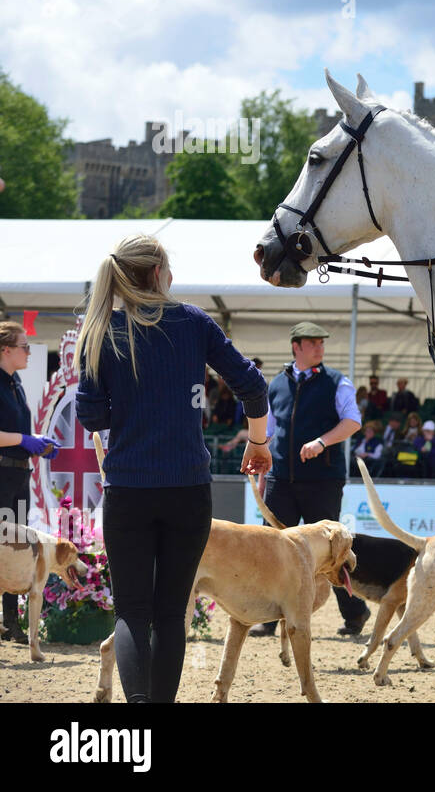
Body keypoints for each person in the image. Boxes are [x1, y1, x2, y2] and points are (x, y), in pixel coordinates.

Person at [73, 235, 271, 702]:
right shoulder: (194, 322)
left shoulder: (103, 330)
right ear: (159, 273)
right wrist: (258, 442)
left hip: (128, 488)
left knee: (131, 613)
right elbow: (253, 386)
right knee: (169, 613)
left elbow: (92, 417)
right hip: (187, 490)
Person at [252, 322, 367, 637]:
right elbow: (270, 433)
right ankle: (268, 618)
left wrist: (322, 442)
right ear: (296, 347)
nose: (320, 347)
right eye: (313, 343)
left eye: (321, 343)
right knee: (273, 547)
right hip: (280, 480)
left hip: (322, 480)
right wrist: (263, 475)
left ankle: (355, 613)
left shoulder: (337, 382)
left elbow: (353, 422)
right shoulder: (275, 384)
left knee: (334, 549)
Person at [0, 322, 62, 641]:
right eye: (23, 346)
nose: (28, 351)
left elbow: (18, 433)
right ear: (5, 350)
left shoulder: (17, 384)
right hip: (1, 476)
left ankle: (11, 620)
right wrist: (24, 439)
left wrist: (37, 444)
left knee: (16, 547)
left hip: (19, 474)